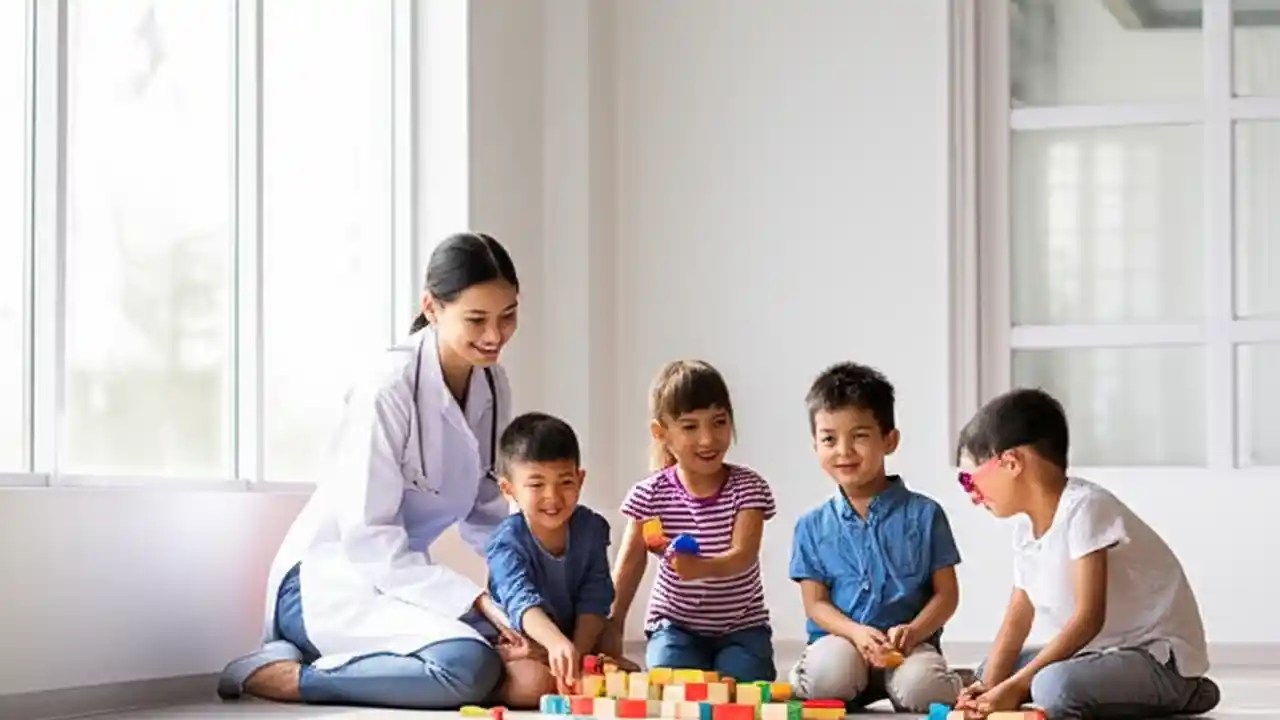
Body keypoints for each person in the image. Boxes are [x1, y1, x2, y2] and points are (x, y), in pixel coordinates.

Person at [217, 232, 532, 709]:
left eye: (507, 316)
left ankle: (312, 655)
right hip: (329, 581)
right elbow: (369, 538)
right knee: (467, 667)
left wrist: (527, 599)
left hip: (399, 582)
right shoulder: (386, 388)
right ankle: (285, 675)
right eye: (476, 319)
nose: (495, 335)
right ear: (431, 307)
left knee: (526, 655)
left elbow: (489, 518)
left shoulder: (493, 382)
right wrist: (474, 601)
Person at [953, 388, 1220, 719]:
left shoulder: (1086, 508)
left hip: (1155, 658)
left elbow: (1088, 618)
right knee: (991, 668)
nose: (972, 495)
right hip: (1099, 655)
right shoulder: (1025, 531)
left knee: (1050, 686)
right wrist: (990, 687)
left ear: (1011, 463)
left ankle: (1184, 692)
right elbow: (1018, 616)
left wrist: (1017, 687)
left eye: (969, 480)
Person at [787, 362, 963, 712]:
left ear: (889, 440)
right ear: (815, 445)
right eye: (829, 439)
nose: (844, 450)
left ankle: (955, 679)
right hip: (842, 644)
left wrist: (913, 632)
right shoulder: (811, 525)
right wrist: (855, 633)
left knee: (924, 691)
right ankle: (814, 674)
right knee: (828, 679)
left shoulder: (926, 514)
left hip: (909, 648)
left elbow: (947, 595)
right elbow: (816, 603)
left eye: (860, 436)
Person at [604, 360, 778, 682]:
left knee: (743, 688)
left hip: (742, 626)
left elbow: (744, 555)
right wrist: (612, 624)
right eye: (690, 427)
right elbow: (630, 564)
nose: (708, 439)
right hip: (675, 625)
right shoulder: (651, 495)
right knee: (673, 684)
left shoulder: (748, 488)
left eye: (719, 422)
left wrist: (701, 568)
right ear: (661, 434)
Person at [485, 411, 635, 706]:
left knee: (608, 642)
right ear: (508, 489)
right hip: (526, 637)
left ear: (580, 479)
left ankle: (574, 668)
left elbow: (596, 595)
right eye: (536, 484)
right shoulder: (505, 543)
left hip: (574, 631)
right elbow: (520, 600)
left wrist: (576, 652)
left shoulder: (592, 529)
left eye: (564, 482)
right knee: (536, 685)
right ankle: (496, 687)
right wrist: (555, 644)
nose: (552, 496)